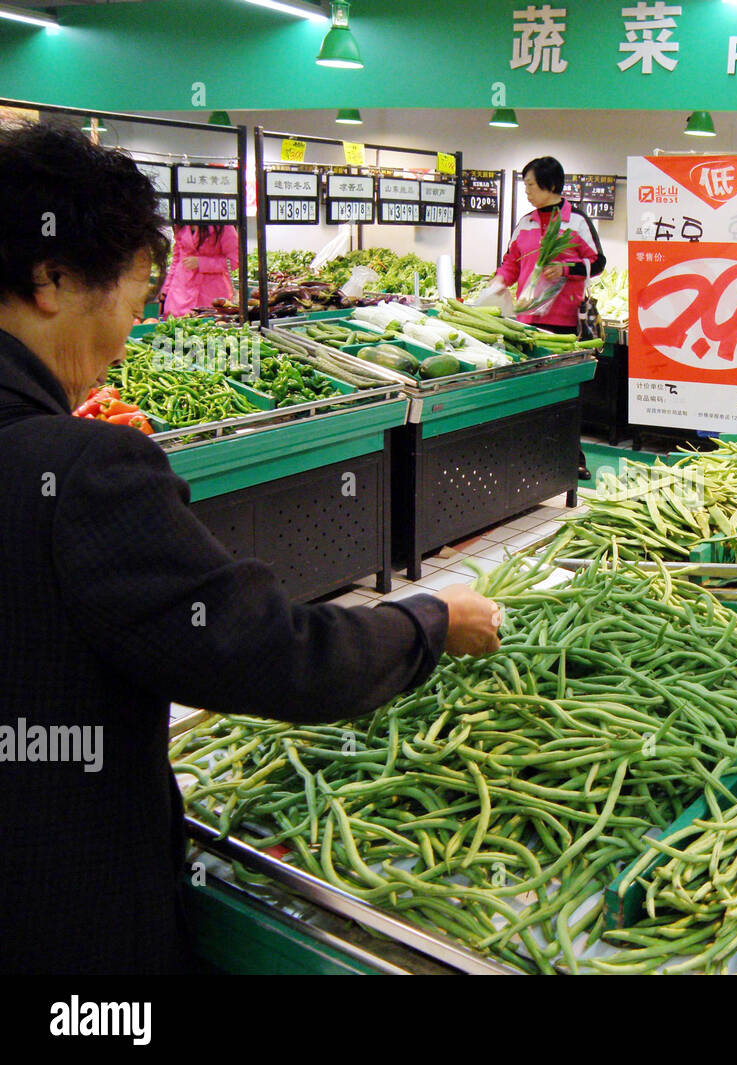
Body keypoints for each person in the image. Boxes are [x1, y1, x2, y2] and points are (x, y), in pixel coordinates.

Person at [0, 123, 502, 974]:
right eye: (134, 295)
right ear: (52, 280)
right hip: (61, 907)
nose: (131, 331)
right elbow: (263, 650)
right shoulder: (79, 468)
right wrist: (424, 623)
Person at [484, 156, 606, 334]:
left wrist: (564, 269)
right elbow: (511, 263)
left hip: (565, 321)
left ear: (551, 185)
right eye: (525, 185)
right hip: (526, 318)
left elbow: (597, 264)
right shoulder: (526, 223)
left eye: (530, 185)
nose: (526, 191)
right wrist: (500, 279)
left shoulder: (577, 221)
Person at [158, 222, 239, 317]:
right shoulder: (181, 224)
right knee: (175, 328)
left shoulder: (222, 226)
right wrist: (166, 289)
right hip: (180, 292)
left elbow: (235, 261)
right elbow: (176, 259)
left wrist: (202, 263)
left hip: (211, 294)